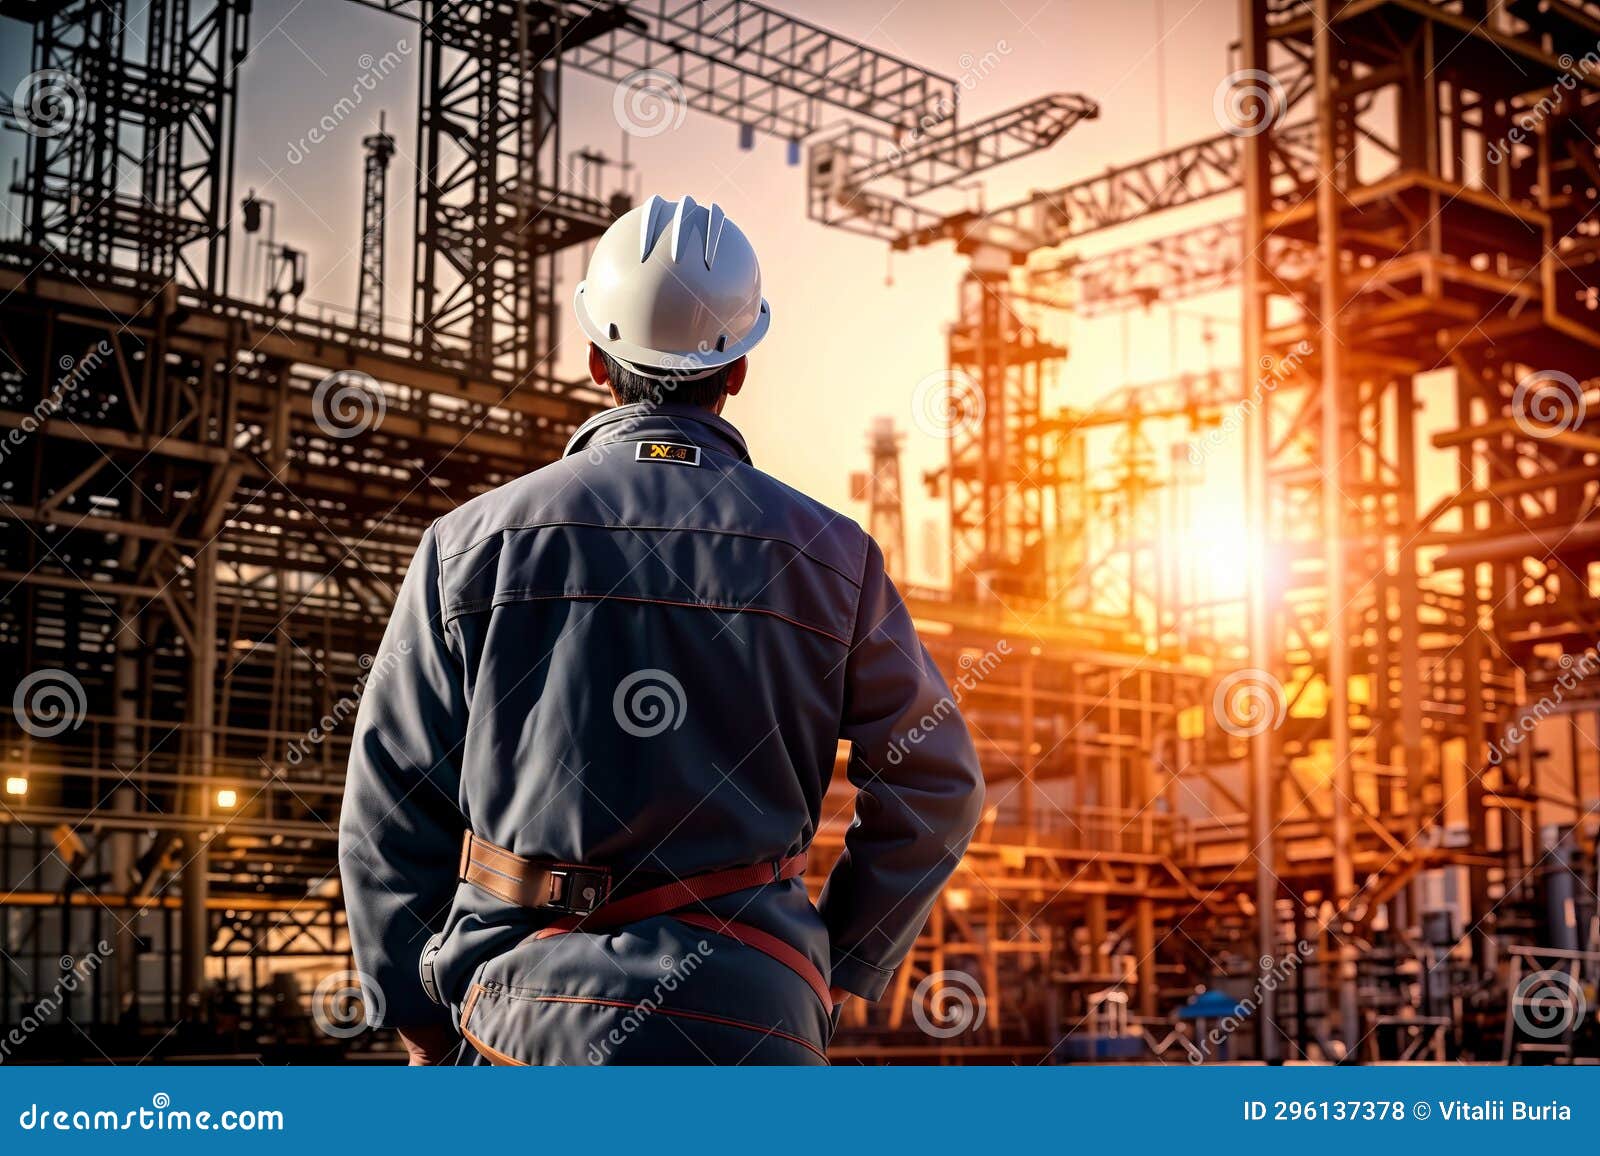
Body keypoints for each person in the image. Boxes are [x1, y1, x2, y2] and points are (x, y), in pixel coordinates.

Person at [338, 194, 984, 1065]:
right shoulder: (837, 558)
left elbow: (387, 803)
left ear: (598, 362)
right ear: (740, 370)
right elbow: (938, 784)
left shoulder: (470, 544)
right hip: (759, 1013)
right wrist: (831, 964)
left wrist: (415, 1012)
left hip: (518, 1014)